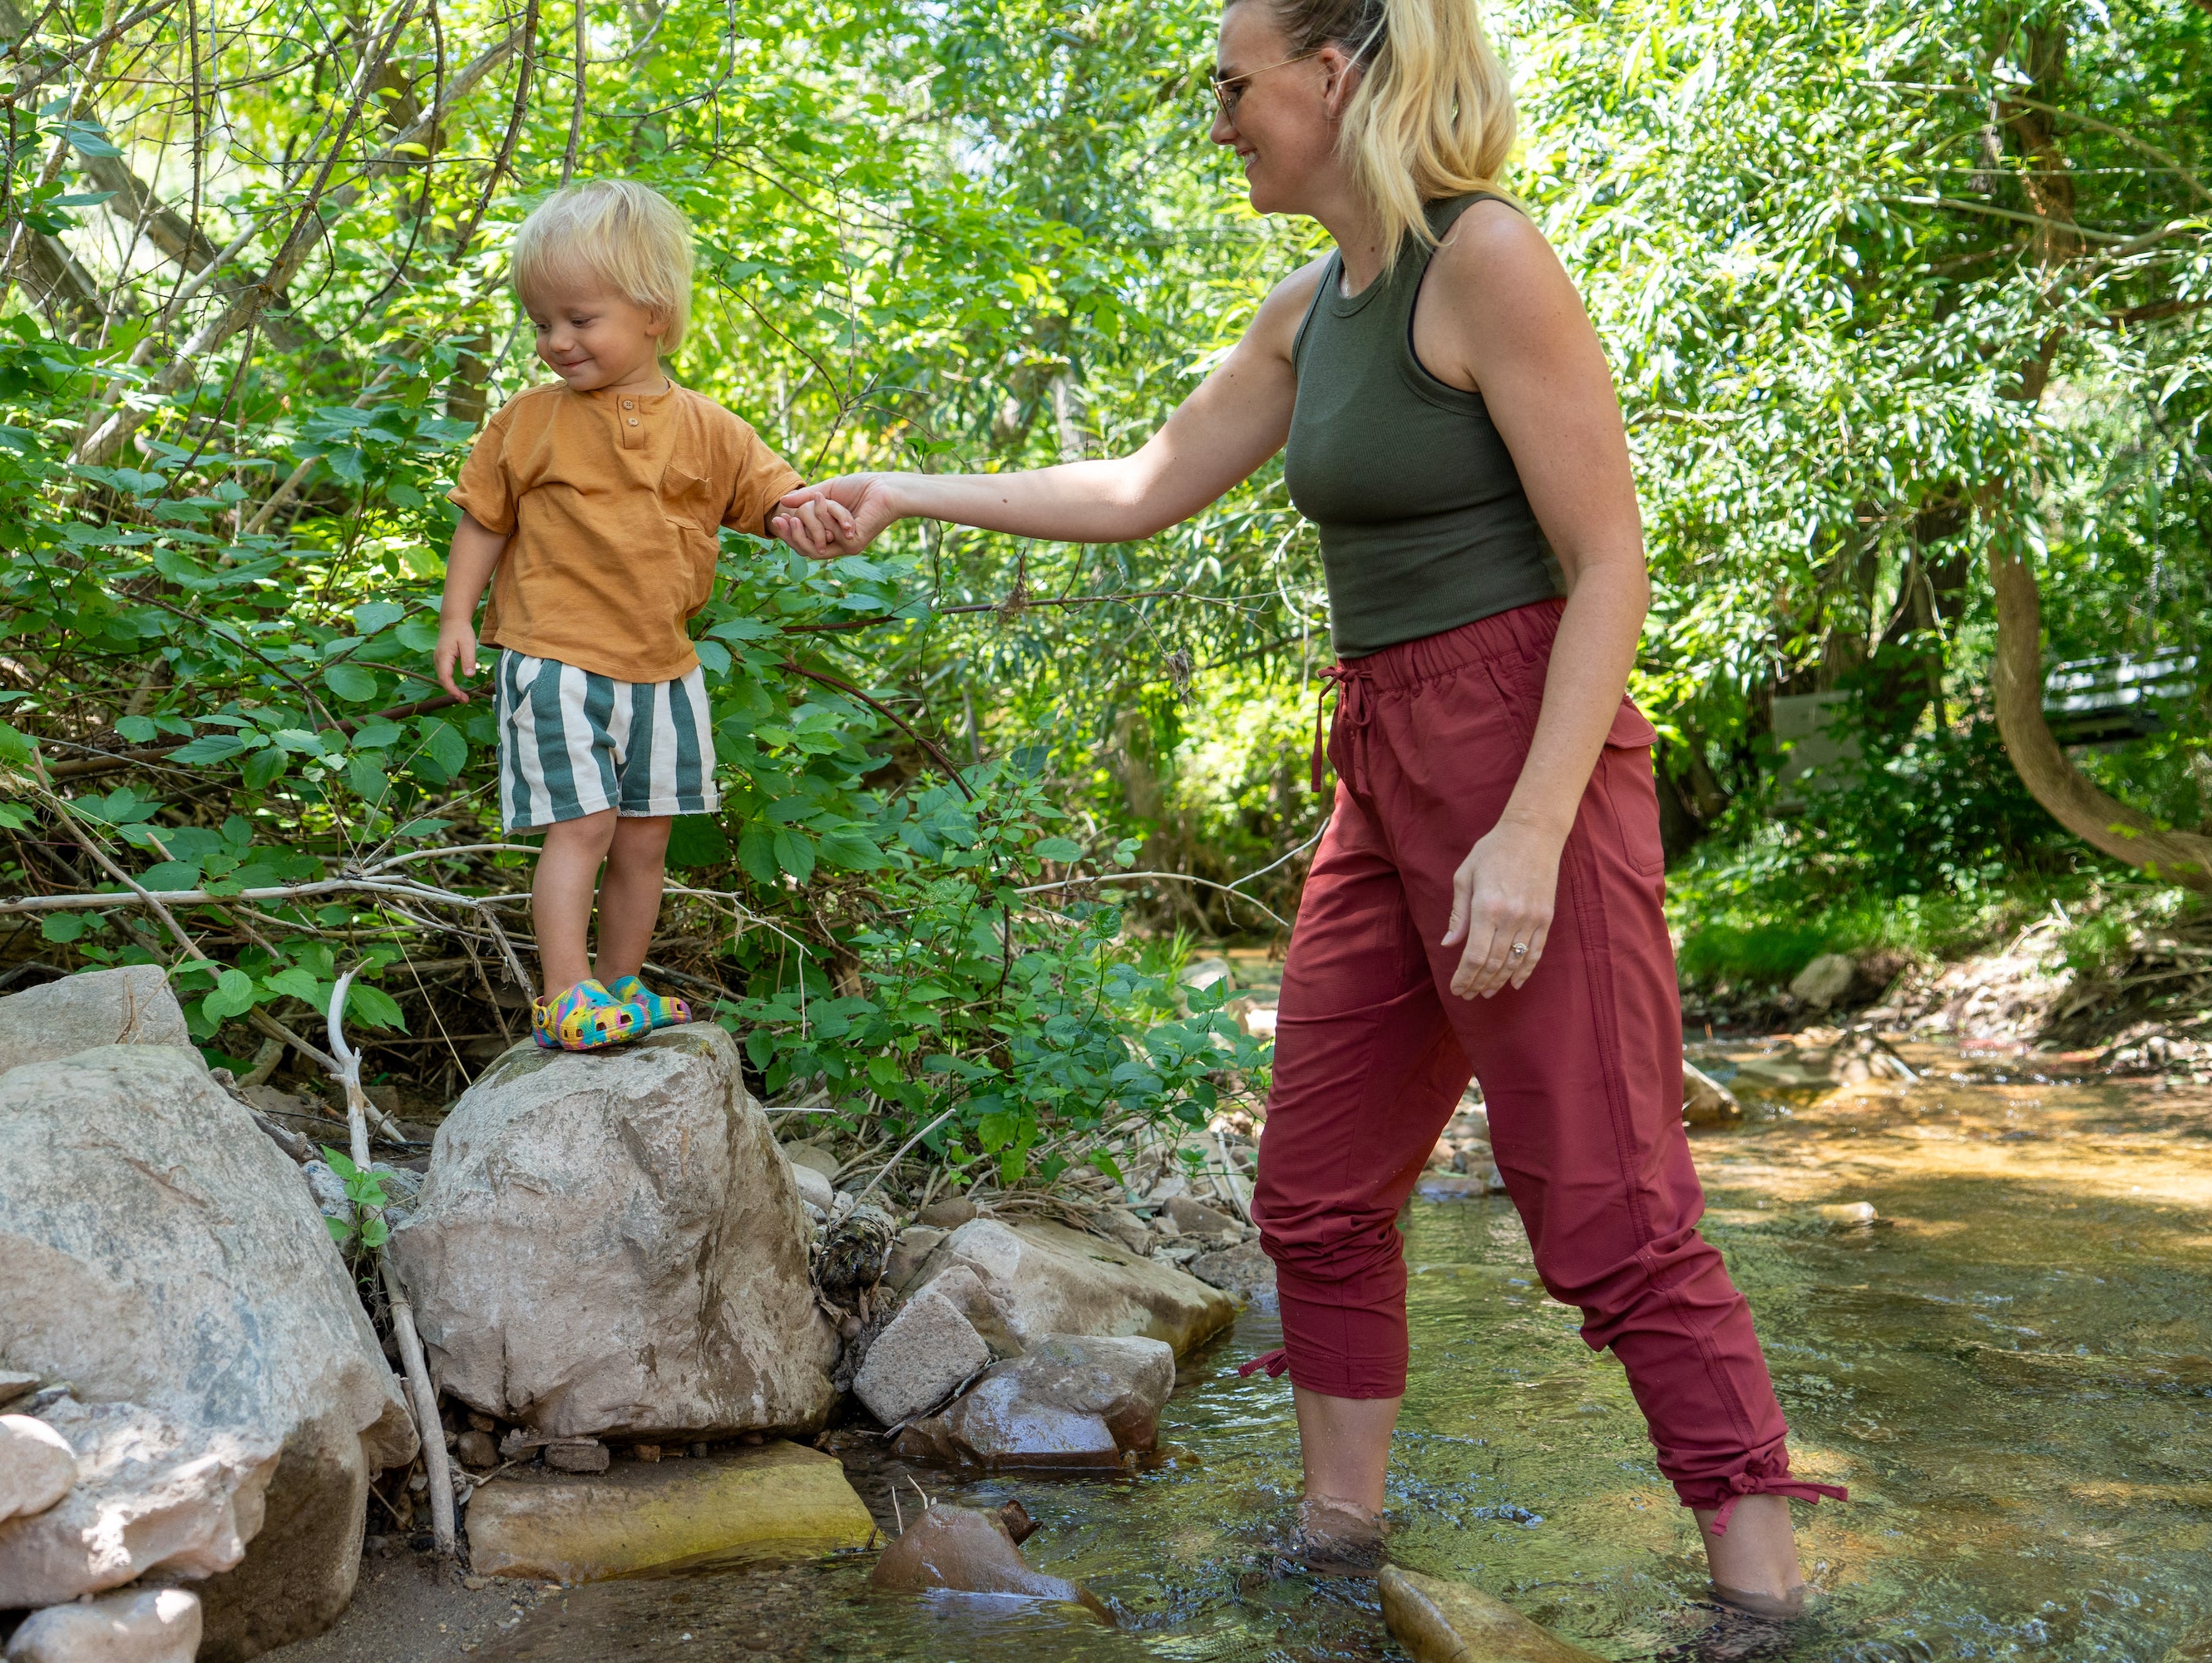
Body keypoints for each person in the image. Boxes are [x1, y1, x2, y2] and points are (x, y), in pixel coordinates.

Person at [769, 0, 1839, 1618]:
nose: (1219, 124)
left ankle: (1766, 1601)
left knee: (1611, 1210)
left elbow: (1612, 562)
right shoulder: (1307, 311)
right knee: (1318, 1192)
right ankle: (1339, 1553)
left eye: (1232, 88)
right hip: (1385, 763)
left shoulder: (1485, 260)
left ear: (1333, 78)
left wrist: (1534, 830)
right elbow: (1139, 488)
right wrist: (900, 491)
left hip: (1522, 751)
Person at [434, 180, 857, 1052]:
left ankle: (620, 983)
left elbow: (777, 497)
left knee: (644, 837)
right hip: (554, 657)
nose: (556, 341)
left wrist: (811, 518)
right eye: (541, 322)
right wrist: (456, 616)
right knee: (580, 825)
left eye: (579, 319)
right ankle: (564, 992)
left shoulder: (710, 429)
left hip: (664, 669)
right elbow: (483, 515)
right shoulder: (529, 422)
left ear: (655, 313)